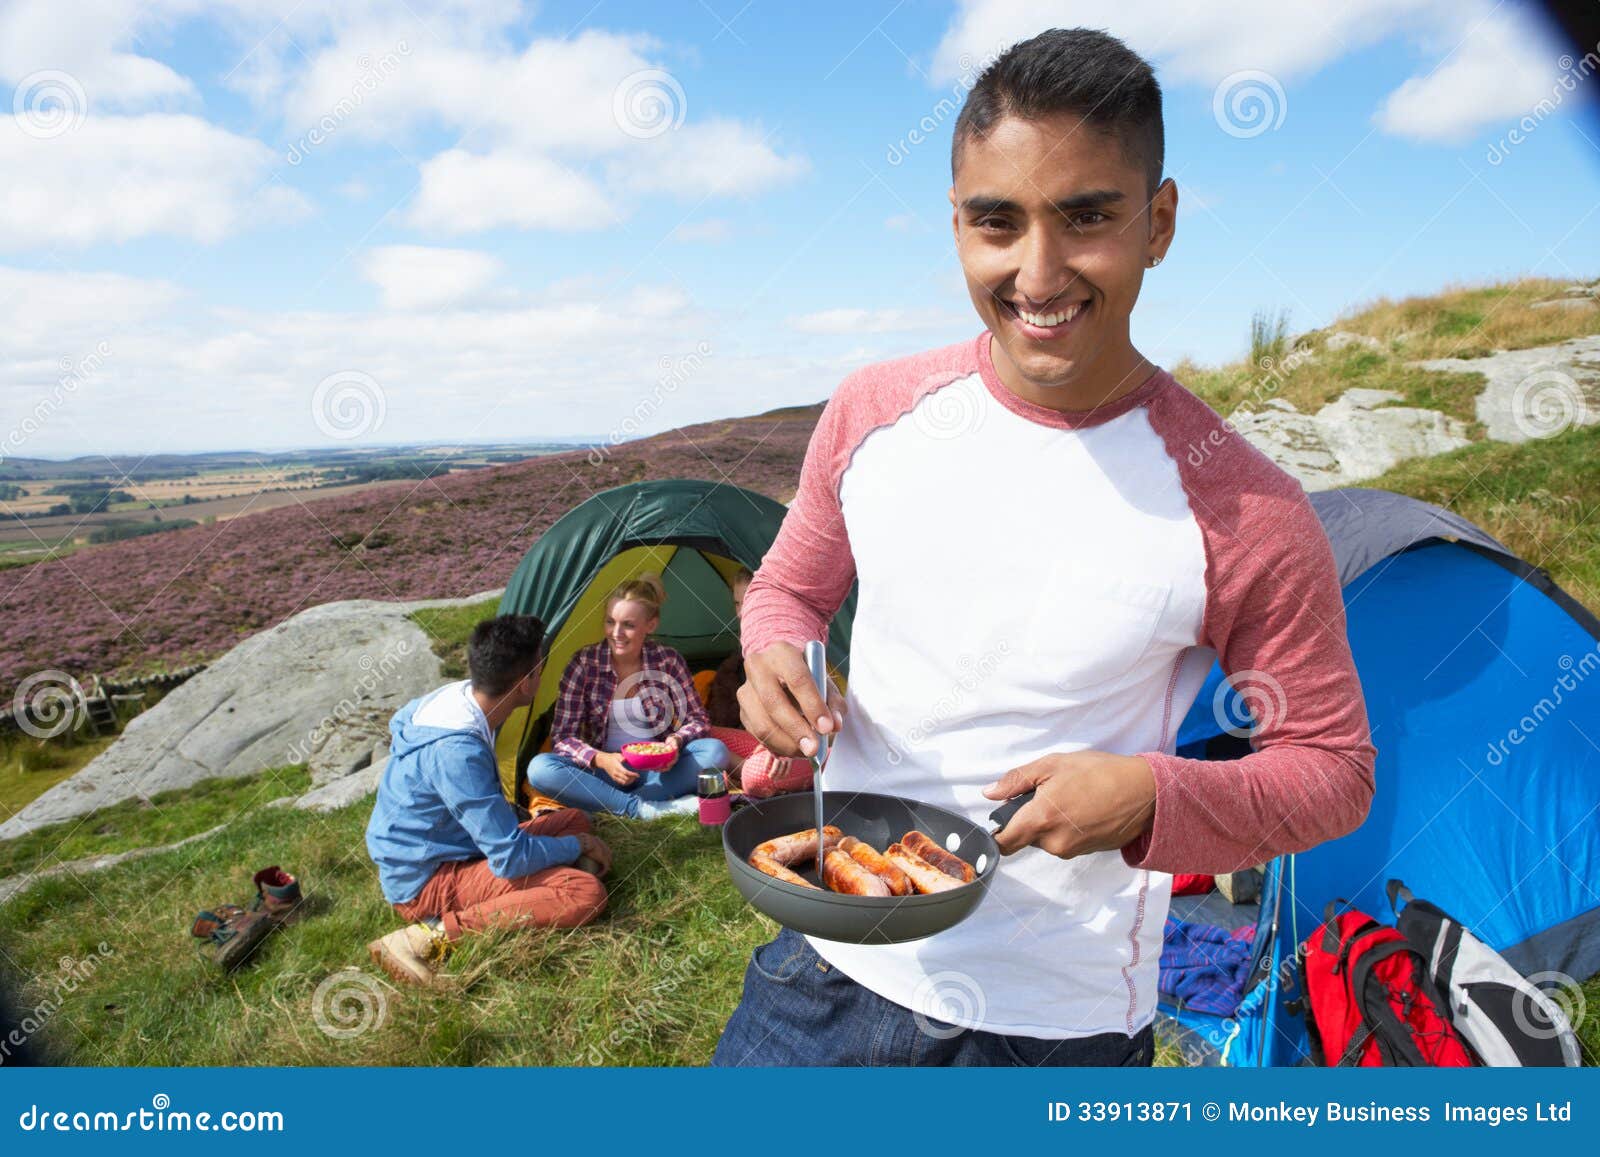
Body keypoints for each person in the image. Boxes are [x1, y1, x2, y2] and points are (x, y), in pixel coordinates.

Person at [713, 27, 1375, 1067]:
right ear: (956, 225)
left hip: (1052, 1023)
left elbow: (1333, 770)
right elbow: (789, 589)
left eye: (1086, 217)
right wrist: (770, 658)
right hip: (829, 960)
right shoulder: (871, 411)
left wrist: (1156, 796)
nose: (1037, 270)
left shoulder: (1246, 505)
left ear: (1157, 222)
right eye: (997, 222)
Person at [365, 614, 611, 988]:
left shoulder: (458, 699)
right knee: (585, 892)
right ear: (527, 681)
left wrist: (566, 840)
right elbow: (509, 858)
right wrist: (574, 847)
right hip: (426, 879)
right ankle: (429, 934)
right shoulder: (457, 753)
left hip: (447, 846)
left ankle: (540, 884)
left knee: (574, 818)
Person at [526, 573, 730, 819]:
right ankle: (643, 808)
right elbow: (562, 737)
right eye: (610, 622)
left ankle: (618, 805)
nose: (616, 633)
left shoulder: (667, 660)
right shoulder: (583, 663)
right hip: (604, 772)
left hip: (660, 771)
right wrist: (601, 759)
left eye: (629, 625)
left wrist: (674, 743)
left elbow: (698, 720)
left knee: (715, 751)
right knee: (540, 769)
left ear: (651, 625)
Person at [705, 567, 813, 798]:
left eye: (750, 602)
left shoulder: (790, 642)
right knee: (704, 733)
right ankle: (746, 767)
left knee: (756, 777)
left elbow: (814, 721)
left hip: (802, 749)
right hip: (760, 744)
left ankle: (749, 770)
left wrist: (786, 750)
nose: (743, 613)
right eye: (737, 604)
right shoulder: (743, 652)